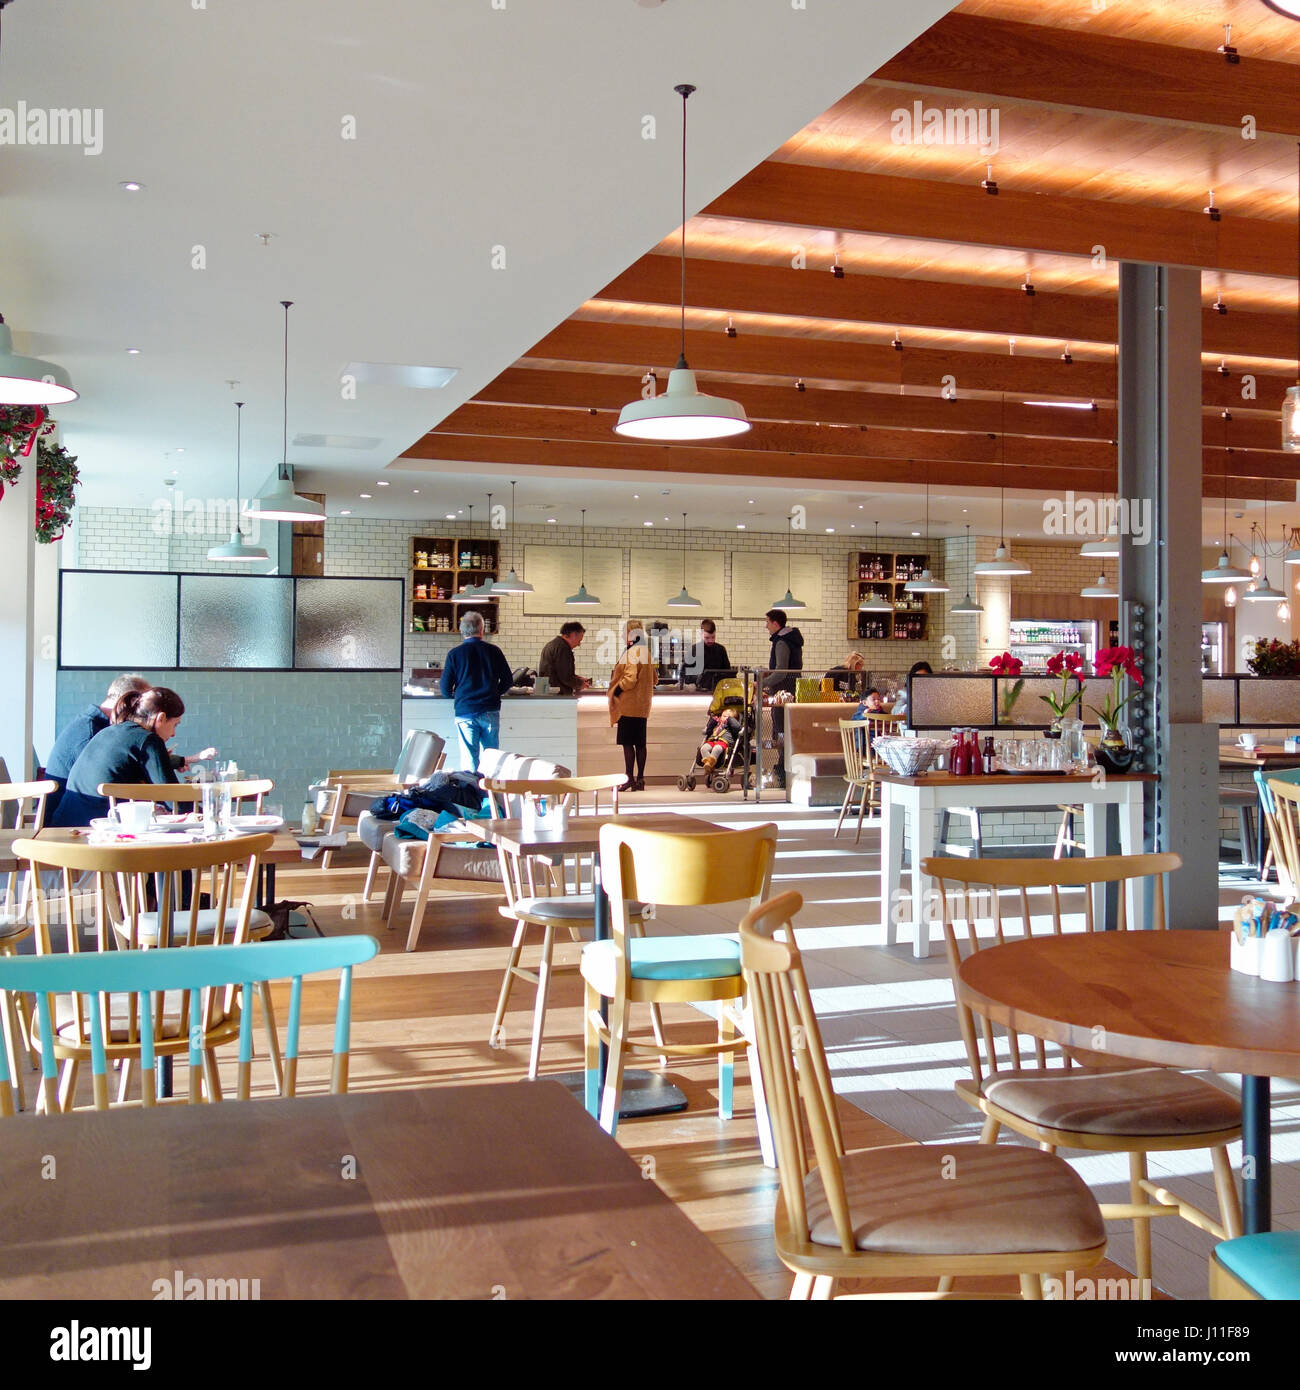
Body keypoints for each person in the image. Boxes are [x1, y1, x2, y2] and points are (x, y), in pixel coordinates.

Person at [51, 687, 185, 827]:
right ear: (161, 718)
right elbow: (174, 800)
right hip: (95, 831)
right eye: (175, 724)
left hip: (65, 825)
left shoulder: (109, 731)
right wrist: (206, 809)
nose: (174, 733)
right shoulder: (148, 740)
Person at [440, 610, 515, 772]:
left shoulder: (454, 654)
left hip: (465, 712)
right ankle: (491, 792)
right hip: (490, 709)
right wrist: (494, 692)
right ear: (481, 629)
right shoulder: (494, 651)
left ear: (462, 630)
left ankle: (472, 792)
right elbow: (508, 680)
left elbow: (445, 689)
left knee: (469, 757)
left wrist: (458, 696)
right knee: (492, 756)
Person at [608, 619, 653, 791]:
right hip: (643, 706)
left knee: (628, 743)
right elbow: (654, 678)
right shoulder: (646, 652)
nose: (621, 635)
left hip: (628, 705)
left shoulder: (633, 652)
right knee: (640, 743)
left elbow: (630, 678)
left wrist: (616, 691)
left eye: (624, 632)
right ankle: (640, 779)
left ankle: (629, 779)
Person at [762, 608, 804, 790]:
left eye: (767, 622)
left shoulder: (781, 642)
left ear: (776, 623)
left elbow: (781, 671)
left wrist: (763, 683)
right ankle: (785, 768)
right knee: (786, 732)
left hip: (782, 694)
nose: (766, 626)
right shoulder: (792, 639)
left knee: (780, 732)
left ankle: (782, 770)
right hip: (793, 691)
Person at [537, 621, 590, 695]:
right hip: (558, 695)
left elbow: (558, 671)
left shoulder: (552, 644)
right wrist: (580, 684)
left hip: (549, 692)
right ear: (573, 635)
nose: (579, 644)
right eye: (579, 640)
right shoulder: (563, 648)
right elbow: (565, 677)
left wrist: (577, 678)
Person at [688, 618, 734, 692]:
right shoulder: (693, 650)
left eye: (713, 637)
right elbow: (686, 675)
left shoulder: (721, 650)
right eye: (707, 638)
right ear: (701, 634)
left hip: (719, 691)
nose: (710, 640)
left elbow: (728, 672)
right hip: (698, 693)